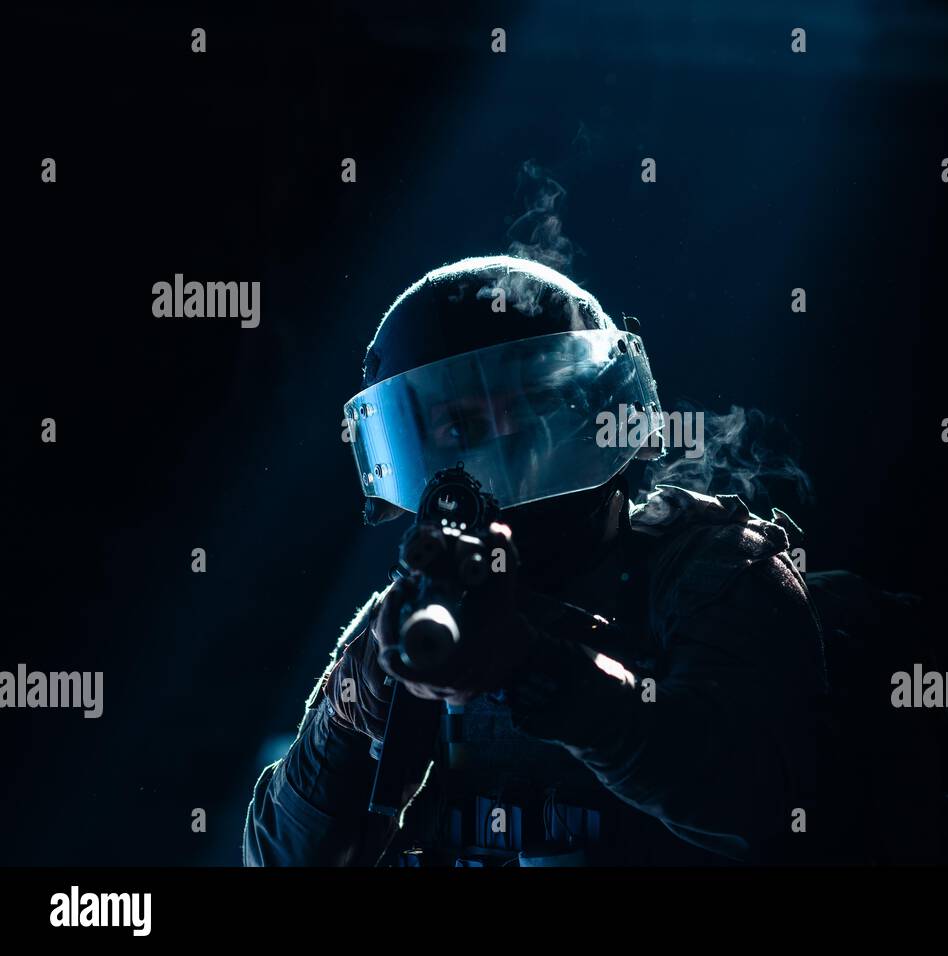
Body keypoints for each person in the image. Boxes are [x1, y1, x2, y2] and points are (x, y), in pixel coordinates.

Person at [243, 255, 828, 866]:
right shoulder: (417, 609)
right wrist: (343, 714)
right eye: (460, 427)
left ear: (590, 412)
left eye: (532, 409)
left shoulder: (715, 571)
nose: (505, 449)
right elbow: (277, 860)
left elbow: (756, 809)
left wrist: (536, 666)